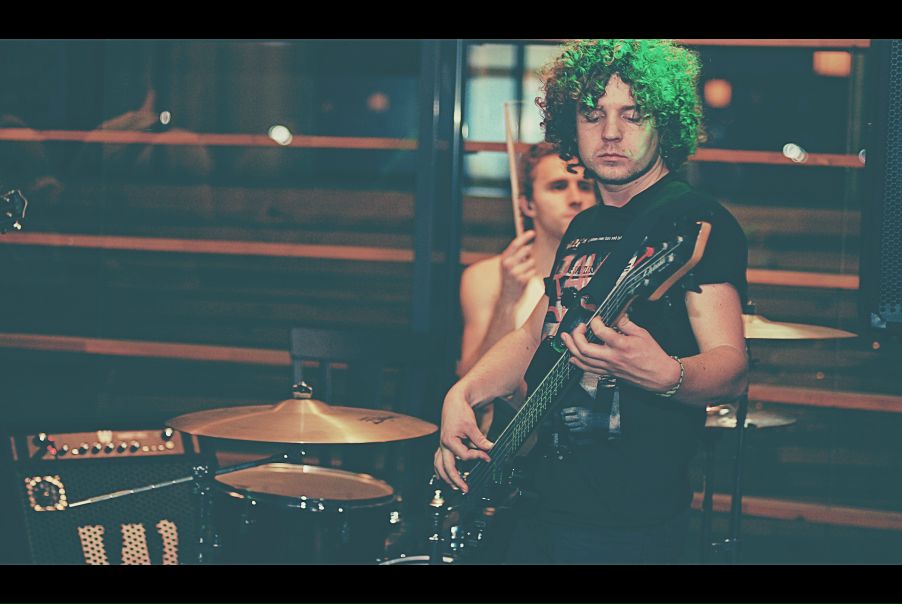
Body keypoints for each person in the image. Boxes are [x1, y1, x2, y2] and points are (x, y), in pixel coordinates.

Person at [434, 39, 749, 564]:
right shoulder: (584, 225)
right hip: (538, 499)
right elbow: (534, 333)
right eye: (592, 114)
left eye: (633, 114)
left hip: (626, 523)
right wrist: (463, 394)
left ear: (665, 123)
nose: (610, 132)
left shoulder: (693, 220)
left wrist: (665, 374)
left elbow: (732, 369)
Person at [458, 142, 597, 433]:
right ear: (527, 204)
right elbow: (470, 383)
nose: (575, 198)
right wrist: (507, 300)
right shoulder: (485, 277)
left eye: (584, 186)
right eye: (558, 186)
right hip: (504, 437)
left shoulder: (608, 275)